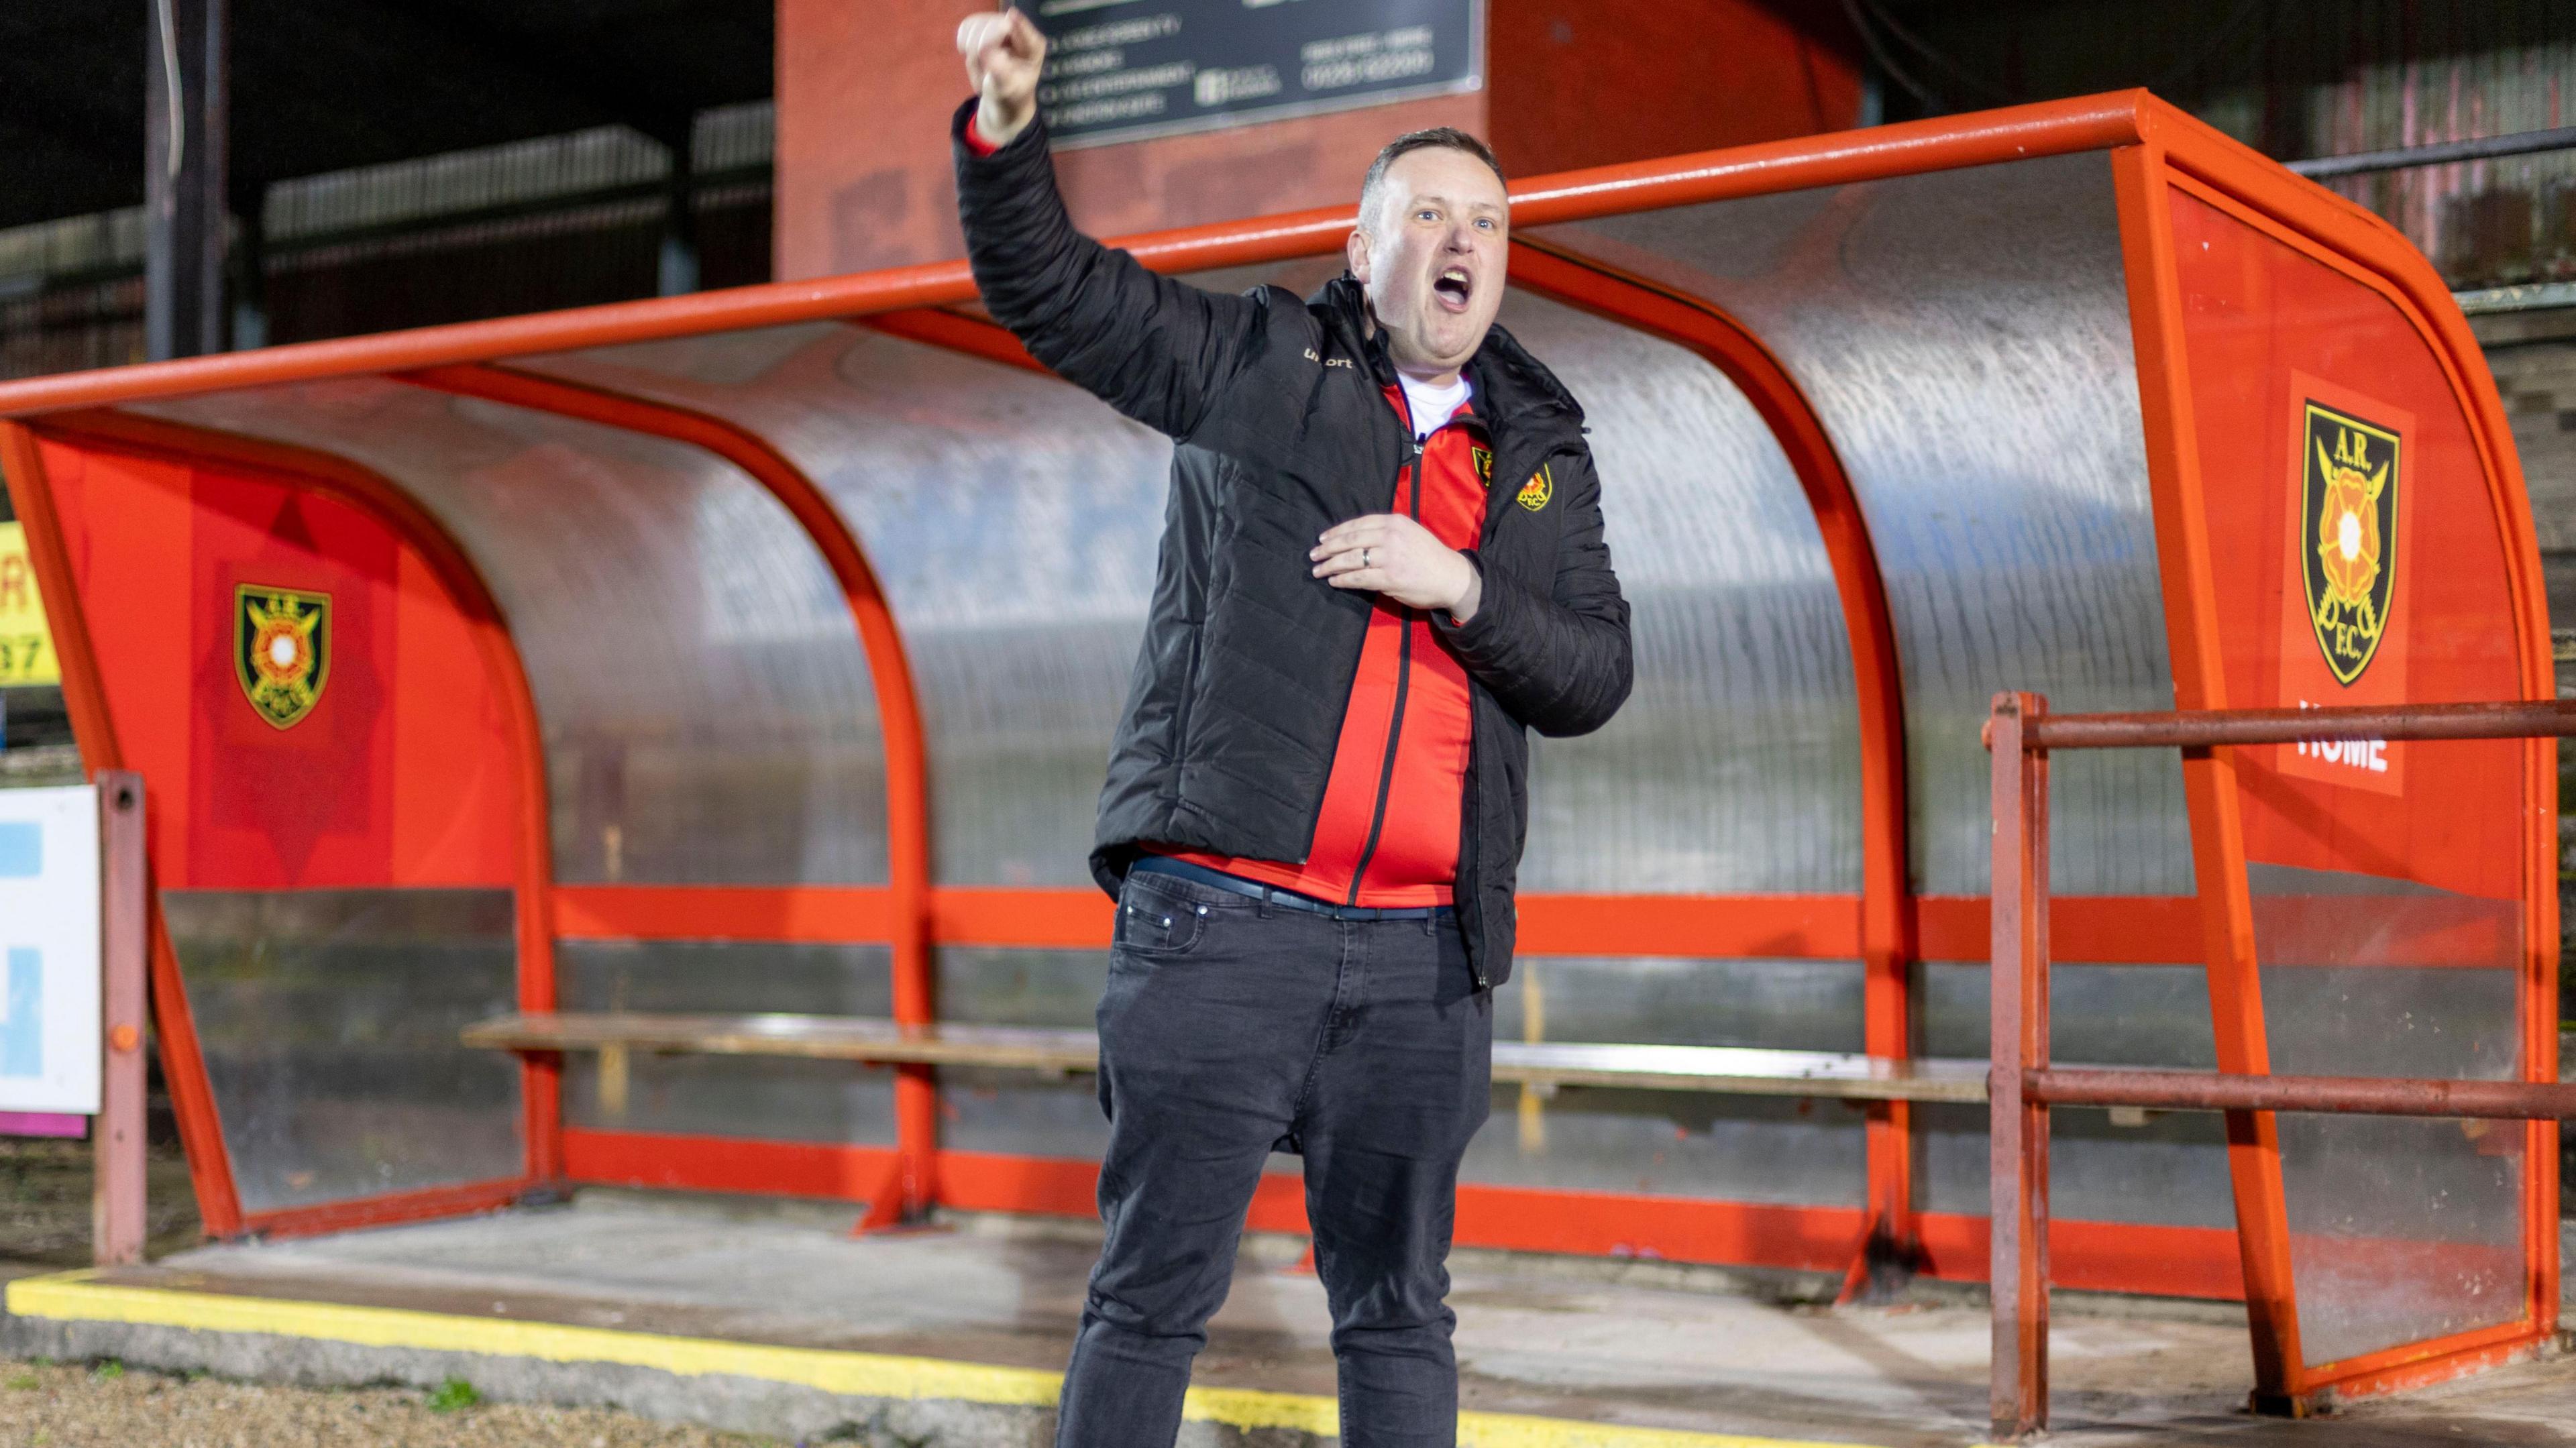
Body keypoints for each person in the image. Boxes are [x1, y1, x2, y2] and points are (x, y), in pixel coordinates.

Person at [953, 9, 1631, 1445]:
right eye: (1429, 213)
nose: (1464, 239)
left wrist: (1457, 586)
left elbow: (1593, 673)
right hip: (1222, 930)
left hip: (1423, 965)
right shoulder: (1258, 367)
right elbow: (1053, 292)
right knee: (1149, 1303)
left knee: (1398, 1313)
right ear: (1360, 250)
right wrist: (1008, 132)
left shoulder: (1543, 457)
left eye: (1490, 223)